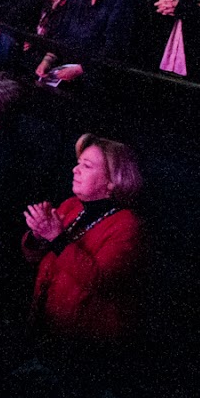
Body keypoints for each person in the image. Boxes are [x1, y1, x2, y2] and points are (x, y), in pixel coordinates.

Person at [22, 135, 144, 355]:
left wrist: (56, 238)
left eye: (86, 166)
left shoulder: (128, 226)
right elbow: (33, 257)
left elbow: (99, 280)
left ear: (112, 180)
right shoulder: (72, 205)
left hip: (85, 342)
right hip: (45, 325)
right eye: (78, 163)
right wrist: (37, 235)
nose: (74, 170)